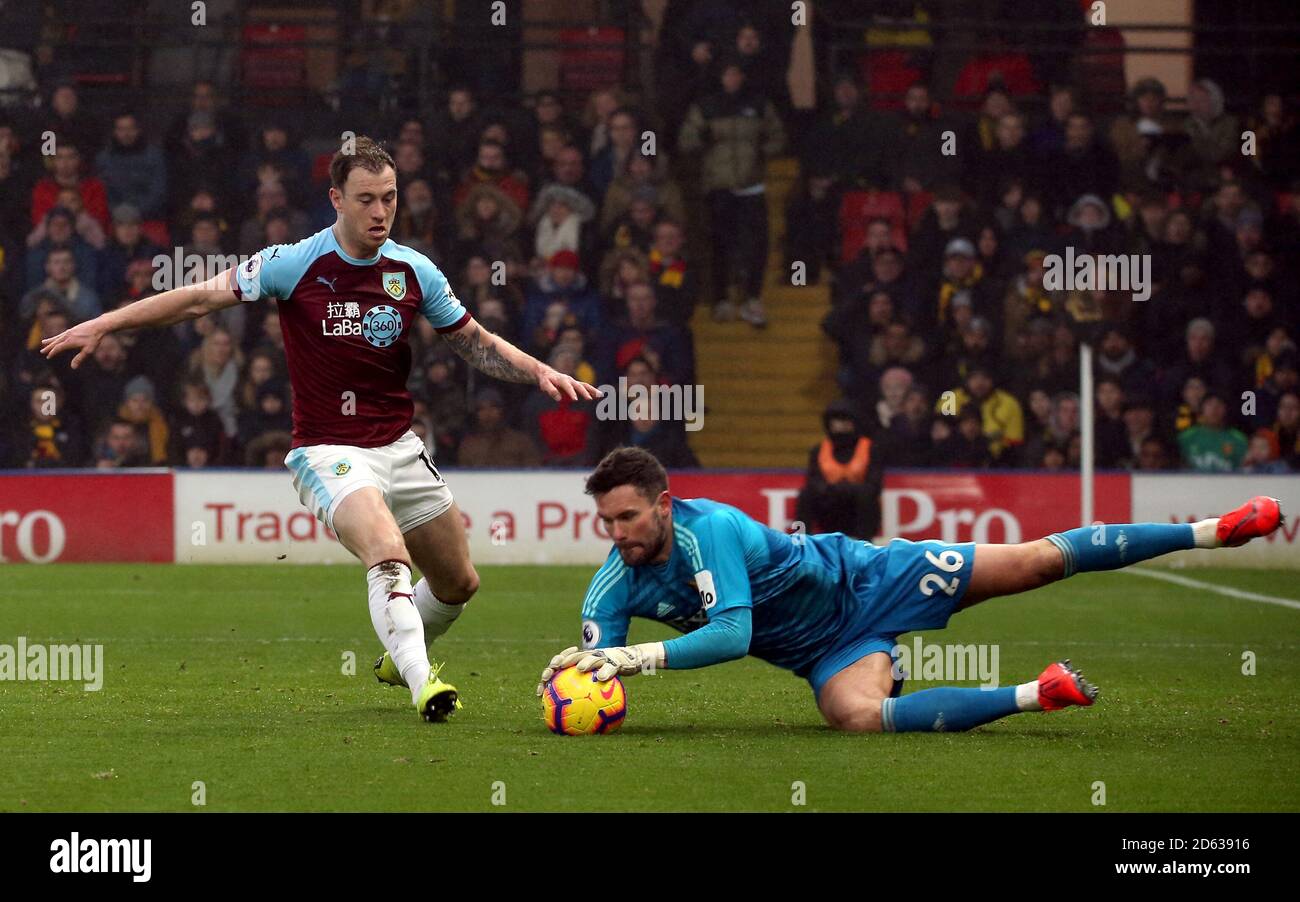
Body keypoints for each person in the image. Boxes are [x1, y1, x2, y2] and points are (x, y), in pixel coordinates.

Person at [42, 137, 601, 724]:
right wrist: (106, 324)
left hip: (401, 447)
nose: (380, 212)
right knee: (387, 554)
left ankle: (400, 654)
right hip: (329, 450)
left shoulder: (414, 271)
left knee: (459, 581)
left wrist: (539, 370)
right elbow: (198, 300)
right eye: (366, 200)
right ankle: (422, 683)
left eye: (389, 198)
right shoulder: (293, 261)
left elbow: (475, 343)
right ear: (336, 199)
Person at [537, 447, 1285, 733]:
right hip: (832, 649)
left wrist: (644, 663)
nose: (618, 534)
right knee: (858, 719)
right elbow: (602, 653)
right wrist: (580, 670)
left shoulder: (714, 530)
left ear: (664, 505)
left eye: (629, 517)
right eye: (607, 521)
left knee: (1032, 563)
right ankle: (1037, 693)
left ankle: (1210, 529)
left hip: (872, 577)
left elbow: (732, 634)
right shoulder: (614, 579)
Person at [794, 401, 883, 540]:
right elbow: (813, 481)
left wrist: (849, 490)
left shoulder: (871, 448)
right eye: (837, 420)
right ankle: (800, 541)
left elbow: (875, 484)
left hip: (858, 509)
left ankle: (865, 545)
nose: (841, 425)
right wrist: (832, 490)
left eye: (846, 420)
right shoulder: (819, 449)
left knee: (866, 497)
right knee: (805, 495)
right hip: (829, 510)